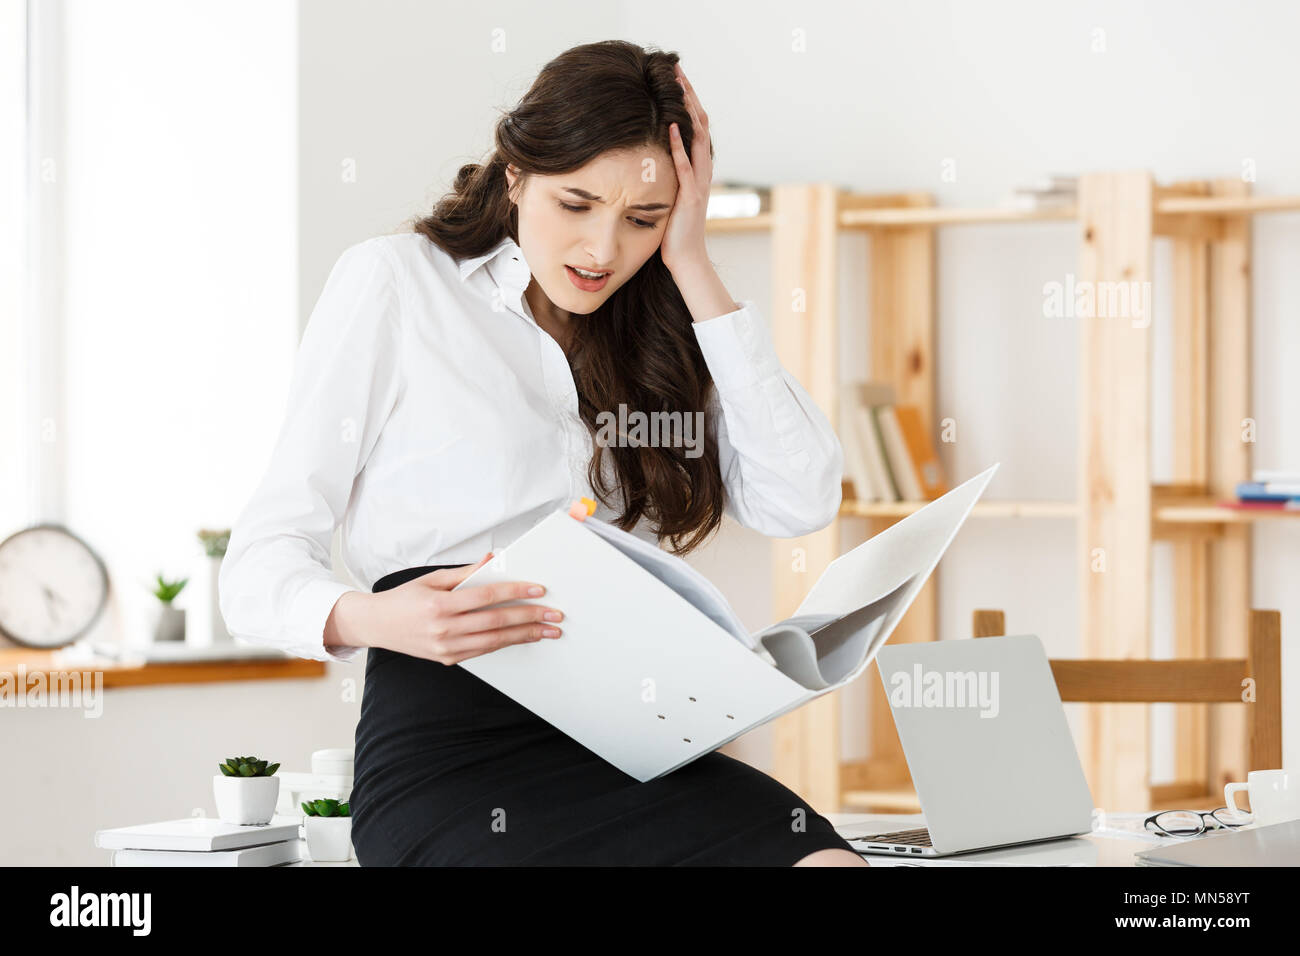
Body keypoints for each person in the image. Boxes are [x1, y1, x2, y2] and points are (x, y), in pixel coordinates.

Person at [219, 39, 867, 867]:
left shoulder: (664, 323)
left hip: (641, 739)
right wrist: (378, 618)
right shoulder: (396, 285)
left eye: (642, 218)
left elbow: (800, 497)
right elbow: (259, 562)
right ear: (516, 173)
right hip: (451, 754)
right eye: (576, 203)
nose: (602, 250)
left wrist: (694, 263)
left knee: (830, 863)